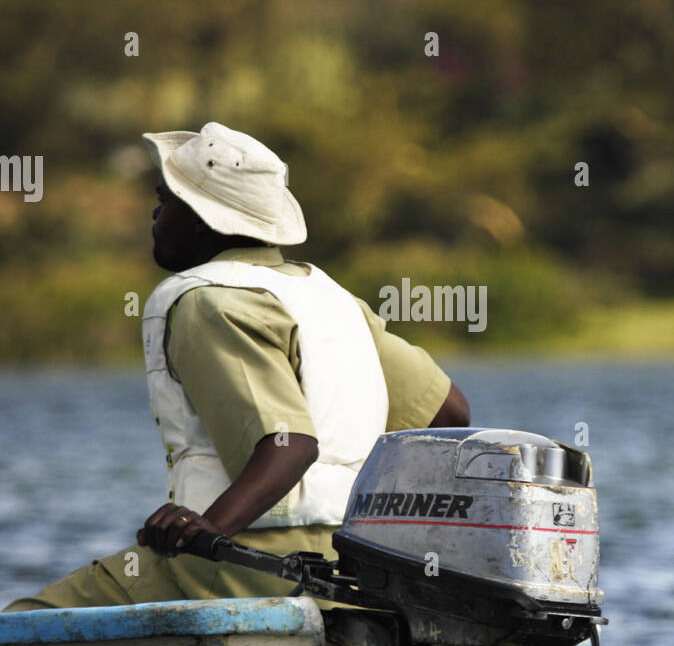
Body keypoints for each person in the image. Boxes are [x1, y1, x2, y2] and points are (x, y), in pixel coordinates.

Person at [4, 122, 470, 612]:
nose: (155, 212)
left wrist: (207, 528)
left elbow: (290, 446)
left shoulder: (206, 303)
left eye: (168, 201)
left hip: (239, 568)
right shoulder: (334, 300)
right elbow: (447, 414)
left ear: (205, 220)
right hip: (359, 567)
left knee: (22, 627)